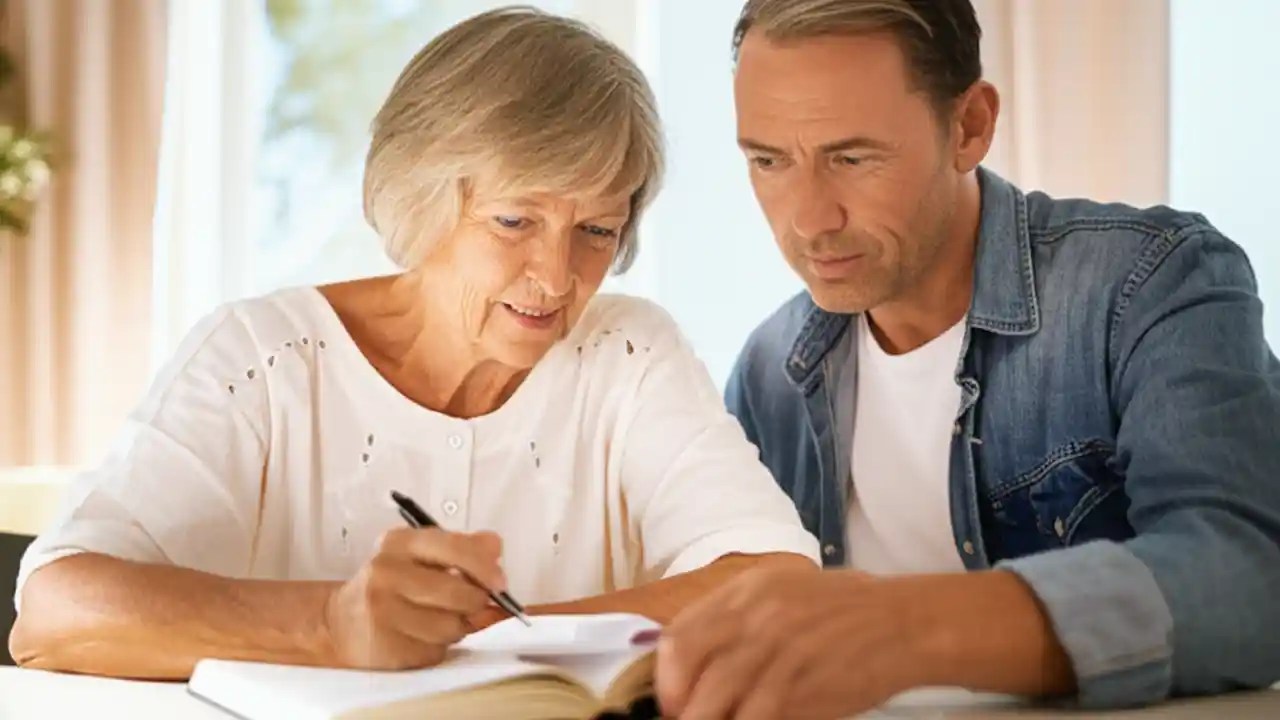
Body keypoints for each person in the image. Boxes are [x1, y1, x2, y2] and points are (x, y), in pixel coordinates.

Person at [8, 7, 820, 679]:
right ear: (421, 193)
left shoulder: (631, 353)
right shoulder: (258, 357)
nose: (555, 275)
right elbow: (54, 613)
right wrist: (333, 625)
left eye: (597, 231)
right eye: (515, 220)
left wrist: (496, 644)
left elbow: (777, 582)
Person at [654, 0, 1280, 717]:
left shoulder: (1147, 284)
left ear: (970, 127)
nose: (810, 220)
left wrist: (904, 628)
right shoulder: (771, 373)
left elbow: (1252, 575)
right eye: (769, 161)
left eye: (853, 158)